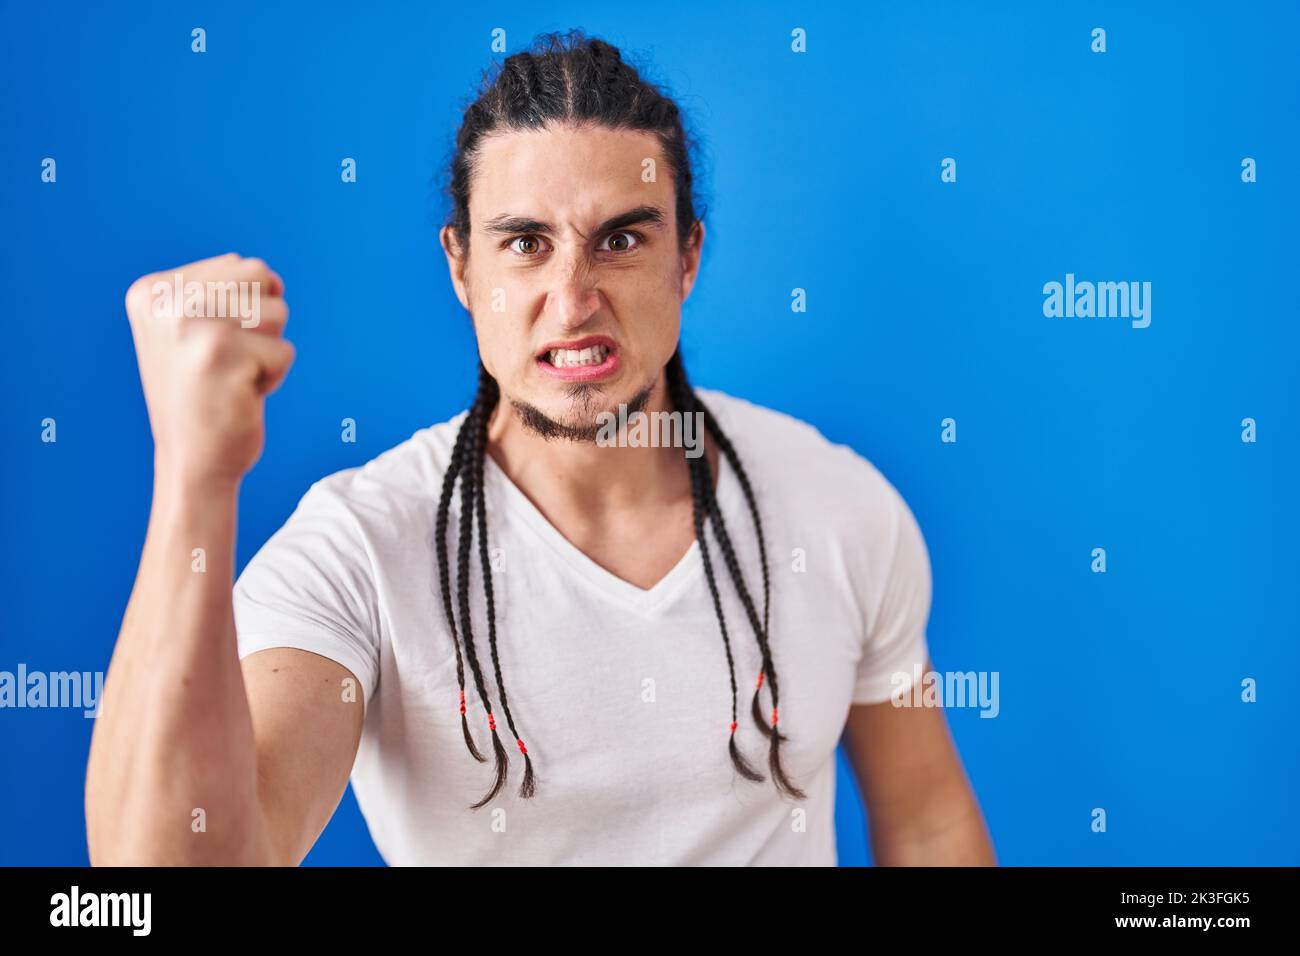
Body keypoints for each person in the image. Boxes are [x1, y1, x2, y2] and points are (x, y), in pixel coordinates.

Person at [86, 30, 995, 866]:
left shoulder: (836, 504)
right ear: (461, 268)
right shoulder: (358, 553)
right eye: (525, 243)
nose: (572, 300)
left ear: (688, 259)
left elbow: (927, 823)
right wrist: (191, 475)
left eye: (622, 239)